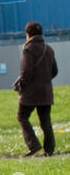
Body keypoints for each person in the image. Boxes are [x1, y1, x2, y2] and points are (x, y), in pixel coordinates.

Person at [14, 21, 57, 156]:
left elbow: (26, 72)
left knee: (22, 116)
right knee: (45, 120)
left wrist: (22, 85)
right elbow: (54, 71)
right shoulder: (49, 49)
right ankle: (49, 149)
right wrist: (44, 80)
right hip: (46, 91)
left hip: (31, 93)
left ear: (28, 35)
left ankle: (33, 144)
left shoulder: (28, 49)